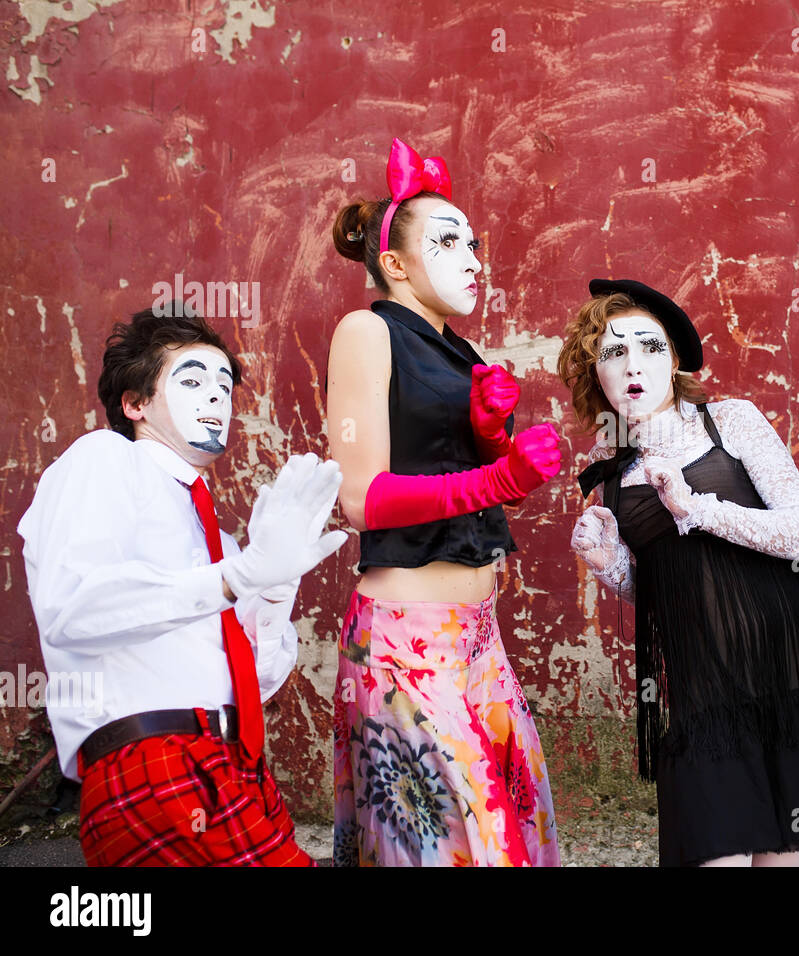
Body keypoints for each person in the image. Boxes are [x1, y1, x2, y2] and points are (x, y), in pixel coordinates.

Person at [560, 278, 799, 867]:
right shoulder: (607, 474)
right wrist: (609, 563)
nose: (633, 364)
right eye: (614, 352)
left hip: (793, 677)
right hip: (707, 699)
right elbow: (669, 589)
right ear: (596, 376)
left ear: (674, 362)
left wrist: (699, 508)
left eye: (650, 347)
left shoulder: (730, 422)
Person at [18, 303, 345, 866]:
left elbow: (257, 681)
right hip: (155, 760)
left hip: (236, 765)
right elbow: (72, 609)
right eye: (192, 380)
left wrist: (273, 586)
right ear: (135, 403)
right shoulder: (104, 460)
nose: (217, 395)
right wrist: (235, 578)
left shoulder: (217, 535)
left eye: (224, 384)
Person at [327, 138, 561, 866]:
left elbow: (474, 500)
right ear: (393, 264)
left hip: (478, 637)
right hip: (405, 639)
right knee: (460, 848)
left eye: (474, 243)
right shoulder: (367, 331)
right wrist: (496, 477)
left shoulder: (464, 352)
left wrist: (494, 439)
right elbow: (360, 500)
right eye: (448, 241)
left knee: (507, 837)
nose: (473, 259)